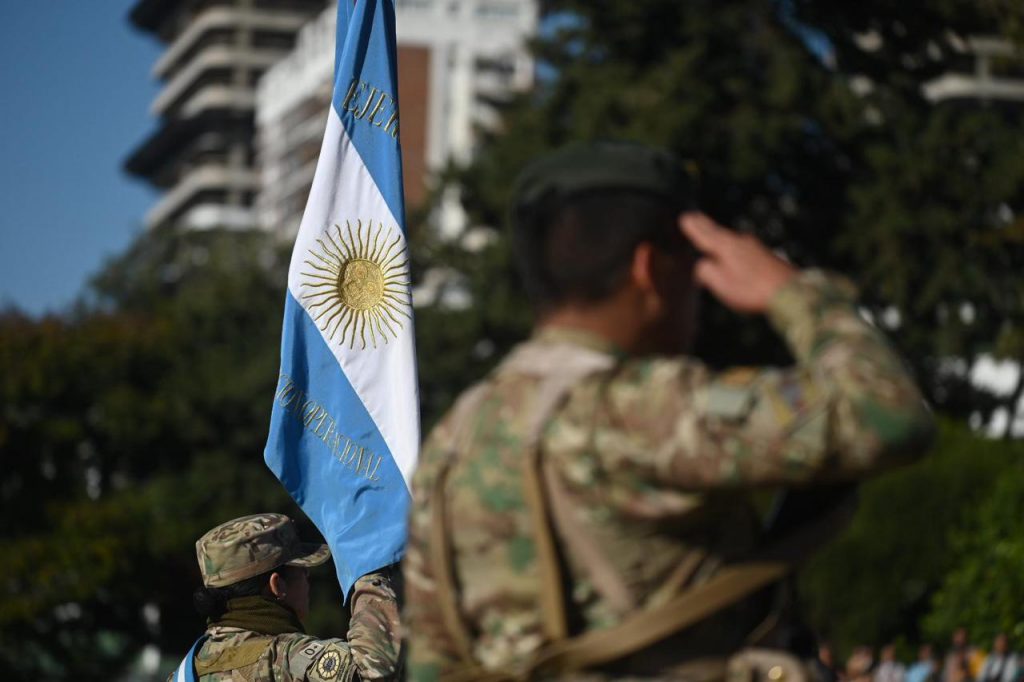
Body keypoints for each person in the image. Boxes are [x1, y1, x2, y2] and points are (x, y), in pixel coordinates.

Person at [402, 141, 935, 680]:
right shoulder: (648, 408)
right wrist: (793, 292)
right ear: (650, 268)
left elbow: (432, 659)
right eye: (695, 268)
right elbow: (888, 414)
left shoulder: (453, 439)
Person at [169, 513, 401, 681]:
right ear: (277, 585)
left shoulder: (184, 672)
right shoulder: (283, 659)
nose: (308, 577)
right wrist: (370, 574)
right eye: (302, 570)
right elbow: (373, 670)